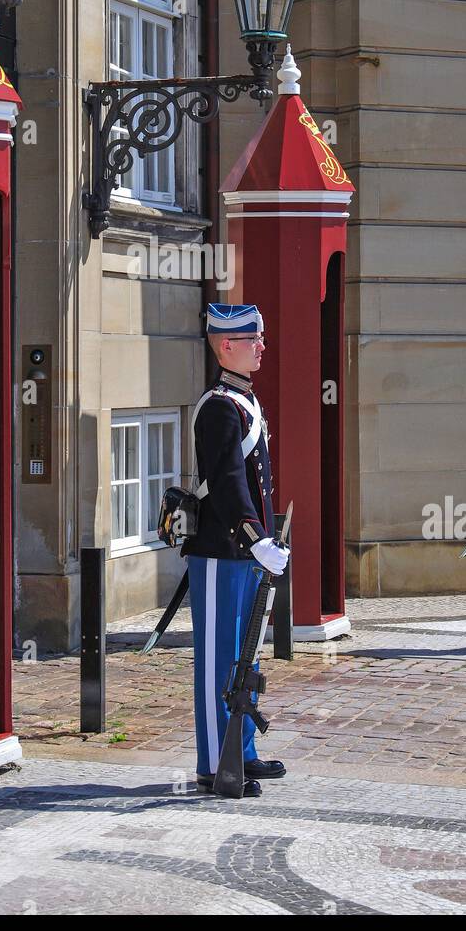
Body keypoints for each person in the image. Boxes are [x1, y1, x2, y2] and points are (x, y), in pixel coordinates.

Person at [181, 303, 289, 797]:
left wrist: (262, 543)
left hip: (244, 554)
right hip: (221, 553)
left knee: (246, 658)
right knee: (218, 661)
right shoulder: (219, 406)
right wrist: (256, 537)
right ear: (227, 345)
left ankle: (240, 751)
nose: (263, 345)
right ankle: (212, 762)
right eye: (254, 339)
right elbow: (225, 483)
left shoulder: (245, 401)